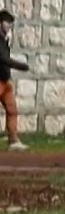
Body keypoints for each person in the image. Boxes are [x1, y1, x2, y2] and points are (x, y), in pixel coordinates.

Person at [0, 10, 29, 151]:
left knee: (12, 110)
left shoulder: (5, 40)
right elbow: (3, 59)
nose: (9, 27)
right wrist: (21, 66)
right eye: (7, 24)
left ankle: (13, 140)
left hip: (5, 81)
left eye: (10, 25)